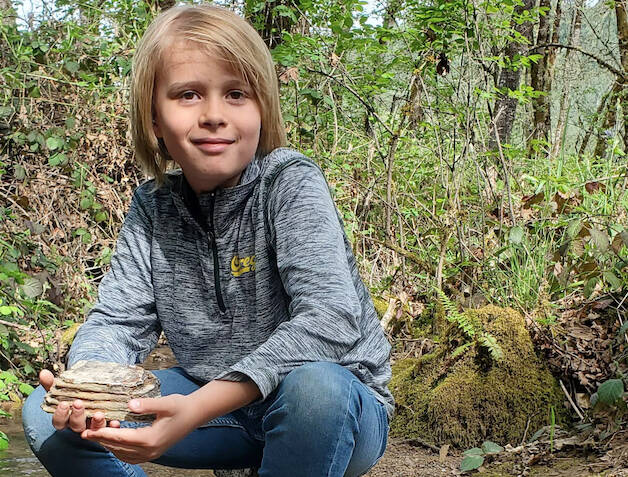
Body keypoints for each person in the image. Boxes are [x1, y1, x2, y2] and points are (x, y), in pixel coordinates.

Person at [22, 4, 393, 476]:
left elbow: (330, 319)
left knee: (316, 389)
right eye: (188, 95)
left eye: (236, 94)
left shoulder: (289, 183)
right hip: (217, 412)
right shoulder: (153, 208)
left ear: (263, 108)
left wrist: (196, 408)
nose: (214, 115)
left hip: (334, 410)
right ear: (154, 118)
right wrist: (88, 391)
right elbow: (117, 322)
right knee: (43, 411)